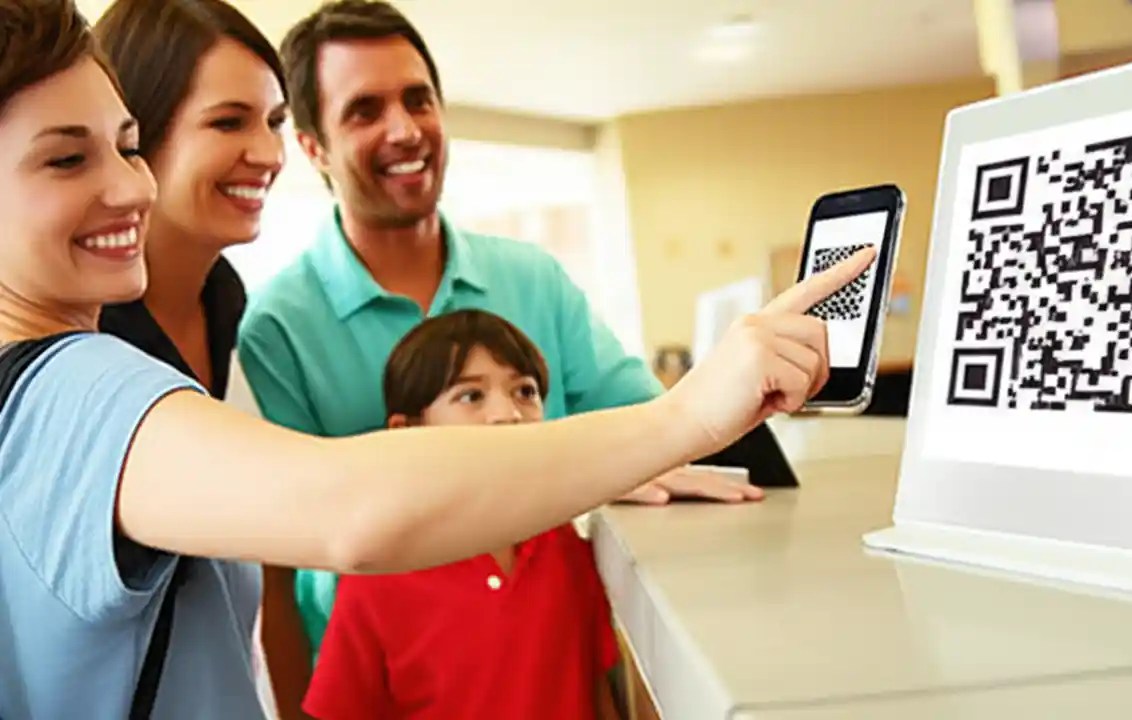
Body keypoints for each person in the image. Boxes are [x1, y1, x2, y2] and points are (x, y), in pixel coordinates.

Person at [0, 1, 872, 717]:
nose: (131, 185)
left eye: (122, 144)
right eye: (66, 159)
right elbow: (347, 512)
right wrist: (682, 417)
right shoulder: (84, 383)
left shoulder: (199, 319)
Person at [235, 1, 776, 711]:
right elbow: (280, 563)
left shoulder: (534, 280)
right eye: (365, 110)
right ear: (312, 147)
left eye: (418, 99)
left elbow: (651, 429)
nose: (405, 129)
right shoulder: (277, 325)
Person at [305, 309, 623, 720]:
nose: (507, 414)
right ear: (407, 432)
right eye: (472, 396)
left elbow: (600, 695)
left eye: (524, 392)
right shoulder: (376, 578)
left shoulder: (566, 546)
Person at [94, 0, 287, 403]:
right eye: (229, 123)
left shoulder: (226, 296)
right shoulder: (88, 328)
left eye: (275, 122)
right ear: (134, 137)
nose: (271, 155)